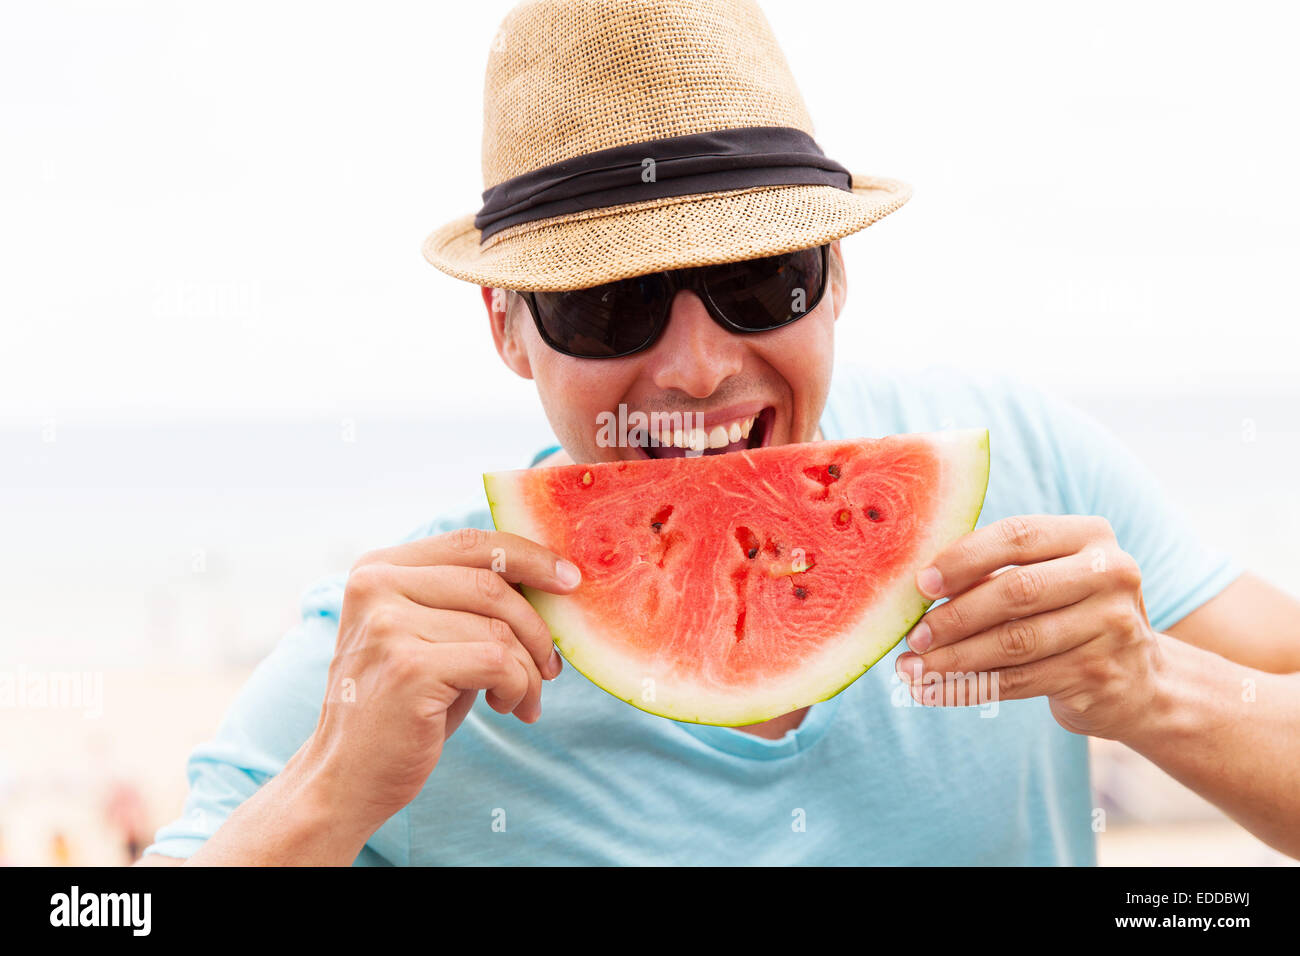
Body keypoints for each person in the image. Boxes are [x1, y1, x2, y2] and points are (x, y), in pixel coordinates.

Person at [139, 0, 1300, 866]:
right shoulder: (408, 654)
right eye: (610, 304)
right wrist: (331, 790)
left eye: (761, 281)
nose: (696, 368)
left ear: (833, 276)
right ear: (507, 327)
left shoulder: (1023, 465)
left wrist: (1157, 688)